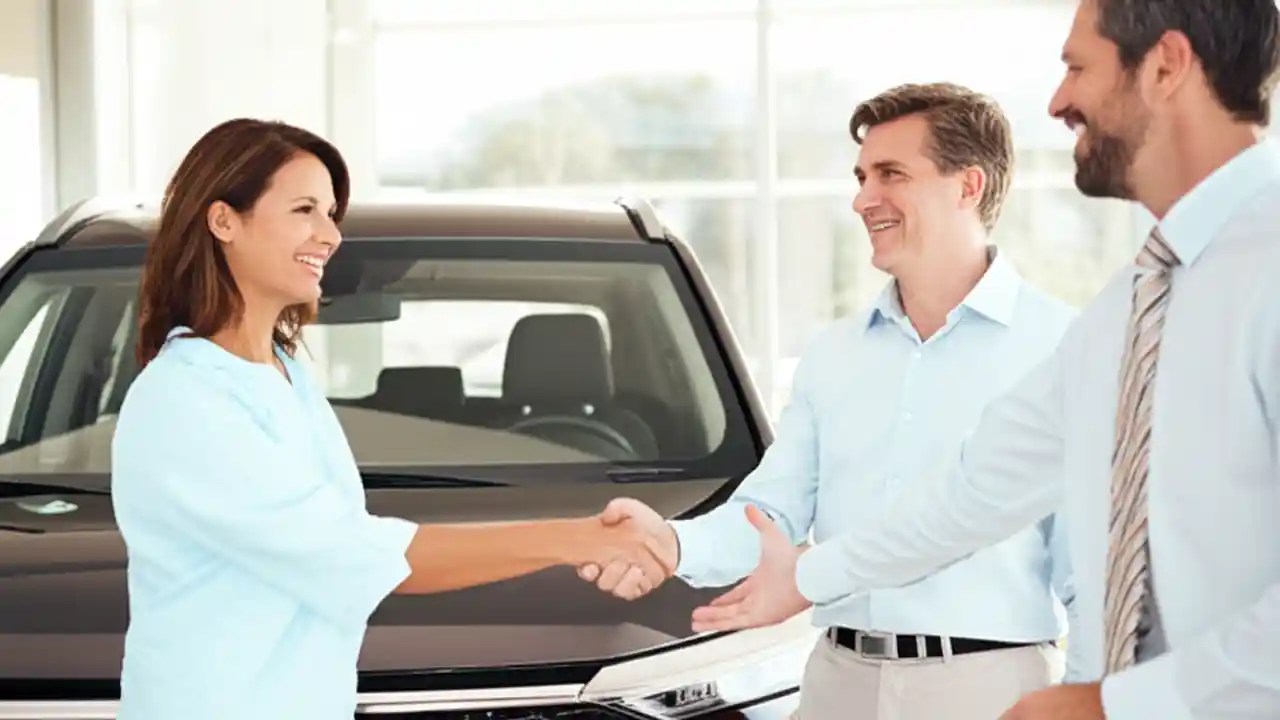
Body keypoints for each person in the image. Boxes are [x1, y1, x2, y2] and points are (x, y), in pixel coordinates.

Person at [681, 2, 1280, 719]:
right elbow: (972, 494)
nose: (1058, 101)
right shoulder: (1126, 309)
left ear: (1165, 67)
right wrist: (809, 577)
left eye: (1077, 67)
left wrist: (1117, 705)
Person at [109, 118, 673, 719]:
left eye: (331, 214)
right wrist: (580, 537)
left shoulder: (282, 373)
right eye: (305, 209)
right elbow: (351, 553)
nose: (329, 236)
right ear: (224, 220)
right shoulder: (186, 401)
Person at [580, 83, 1081, 719]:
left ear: (969, 186)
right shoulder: (835, 355)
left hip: (989, 687)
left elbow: (1089, 567)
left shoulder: (1061, 345)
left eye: (891, 174)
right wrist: (673, 546)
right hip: (836, 681)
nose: (863, 199)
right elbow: (773, 513)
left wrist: (1092, 697)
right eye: (862, 176)